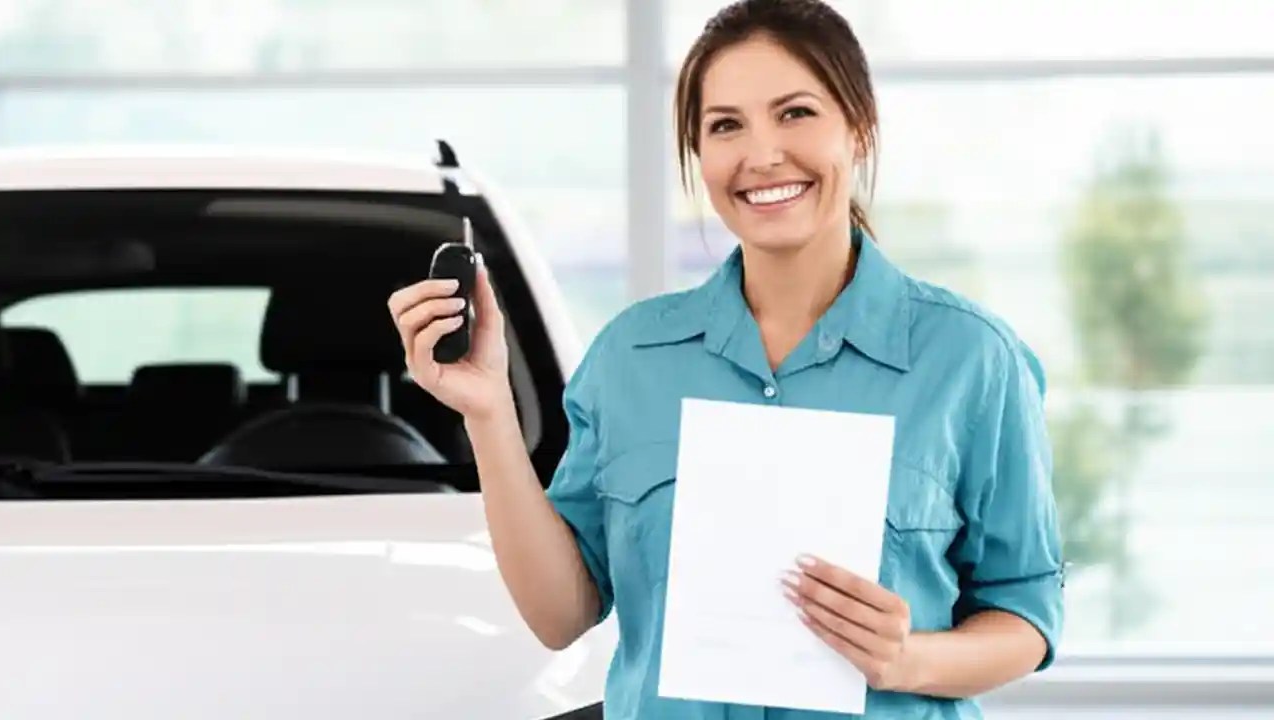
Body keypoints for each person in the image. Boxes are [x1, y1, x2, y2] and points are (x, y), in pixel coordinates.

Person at [387, 0, 1064, 716]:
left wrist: (908, 658)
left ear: (859, 127)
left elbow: (1025, 612)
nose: (762, 154)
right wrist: (489, 412)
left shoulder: (969, 359)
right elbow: (561, 616)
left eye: (796, 112)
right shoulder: (631, 359)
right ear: (698, 156)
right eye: (725, 126)